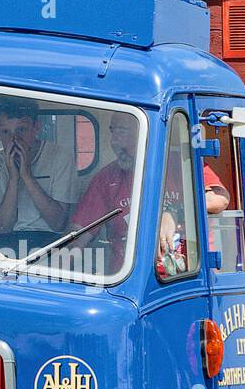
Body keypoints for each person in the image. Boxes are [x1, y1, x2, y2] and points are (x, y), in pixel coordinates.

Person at [71, 111, 229, 275]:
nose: (114, 140)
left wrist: (173, 213)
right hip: (128, 279)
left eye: (122, 131)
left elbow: (219, 199)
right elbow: (78, 234)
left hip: (189, 277)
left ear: (145, 135)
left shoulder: (180, 163)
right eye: (113, 131)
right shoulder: (106, 178)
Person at [0, 98, 76, 253]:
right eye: (6, 132)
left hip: (51, 240)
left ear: (36, 128)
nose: (14, 140)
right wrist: (13, 179)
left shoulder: (60, 157)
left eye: (22, 130)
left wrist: (27, 176)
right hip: (8, 241)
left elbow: (58, 223)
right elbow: (2, 228)